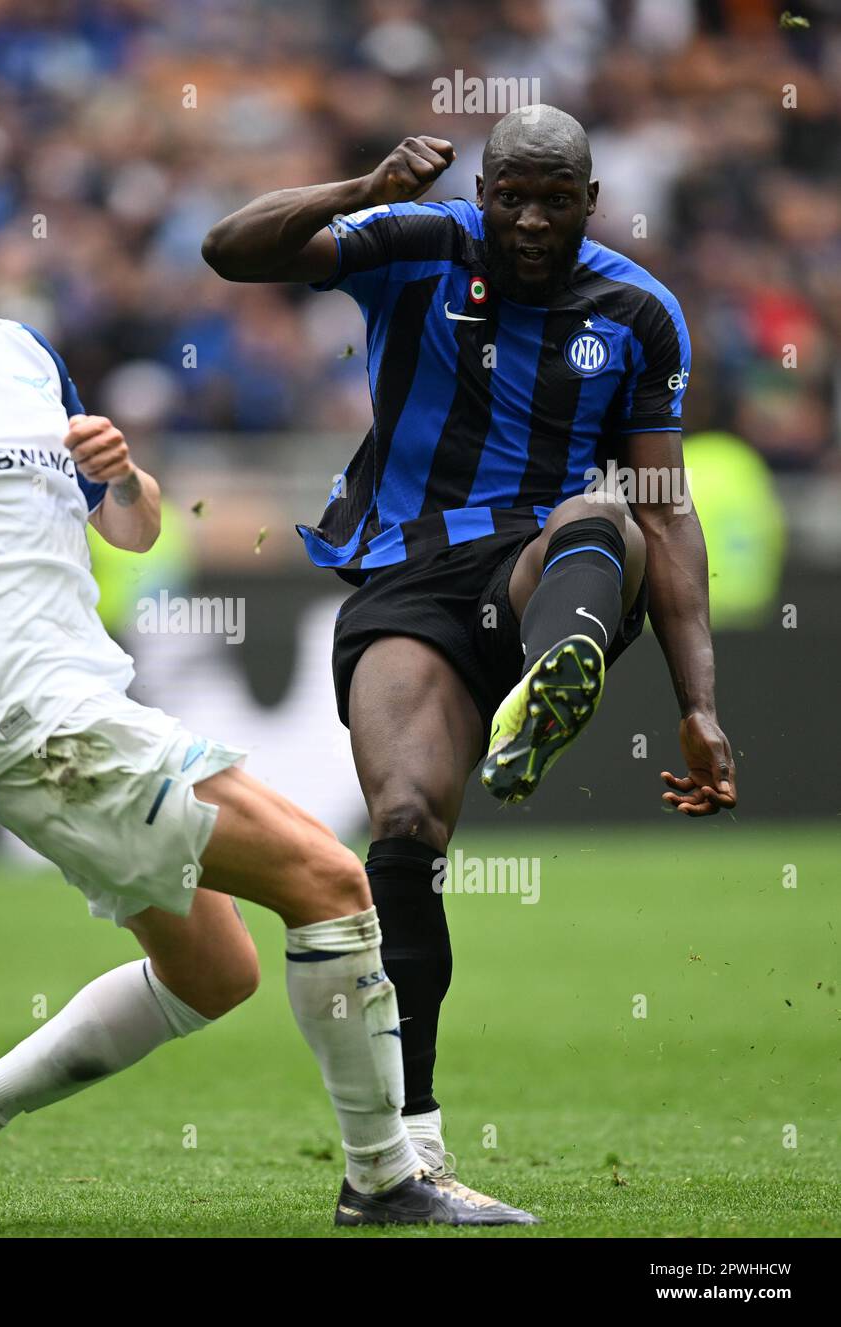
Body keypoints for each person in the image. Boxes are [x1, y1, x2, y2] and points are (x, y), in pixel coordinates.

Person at [0, 114, 535, 1229]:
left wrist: (123, 475)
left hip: (83, 707)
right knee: (335, 885)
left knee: (213, 973)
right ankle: (384, 1180)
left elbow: (127, 533)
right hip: (38, 721)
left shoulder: (29, 355)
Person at [202, 105, 738, 1208]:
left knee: (606, 510)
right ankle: (404, 1153)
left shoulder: (638, 312)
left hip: (547, 565)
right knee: (399, 832)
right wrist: (362, 185)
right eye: (512, 194)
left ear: (590, 203)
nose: (530, 219)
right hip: (406, 587)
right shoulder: (417, 241)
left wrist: (700, 703)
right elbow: (229, 248)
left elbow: (668, 512)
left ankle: (556, 677)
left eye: (555, 199)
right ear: (483, 189)